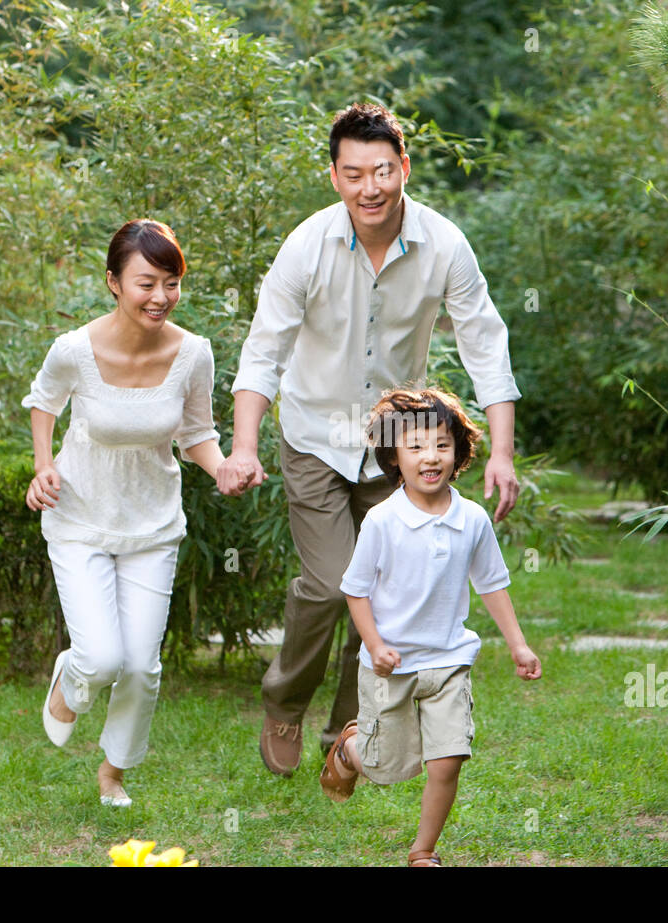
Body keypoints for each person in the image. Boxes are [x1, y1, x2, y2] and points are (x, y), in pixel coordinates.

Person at [216, 102, 523, 776]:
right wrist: (242, 446)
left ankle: (345, 728)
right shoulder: (307, 245)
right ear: (335, 177)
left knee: (382, 598)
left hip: (394, 445)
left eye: (383, 170)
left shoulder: (444, 243)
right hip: (313, 437)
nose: (370, 187)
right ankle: (283, 701)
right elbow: (264, 349)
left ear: (404, 168)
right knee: (330, 586)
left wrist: (499, 451)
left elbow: (485, 344)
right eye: (354, 173)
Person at [23, 219, 223, 807]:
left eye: (171, 283)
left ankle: (113, 772)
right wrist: (42, 466)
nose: (161, 297)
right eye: (146, 283)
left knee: (140, 665)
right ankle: (73, 677)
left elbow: (198, 434)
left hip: (153, 525)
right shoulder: (75, 350)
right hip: (80, 517)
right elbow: (43, 401)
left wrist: (224, 468)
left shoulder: (193, 354)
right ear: (113, 282)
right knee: (101, 657)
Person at [319, 387, 542, 866]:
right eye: (416, 446)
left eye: (442, 444)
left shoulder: (472, 519)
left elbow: (492, 584)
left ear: (459, 451)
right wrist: (375, 645)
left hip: (449, 659)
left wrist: (519, 646)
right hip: (390, 665)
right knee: (387, 768)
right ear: (394, 457)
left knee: (447, 760)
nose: (430, 456)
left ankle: (423, 852)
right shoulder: (382, 520)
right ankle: (352, 748)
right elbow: (355, 590)